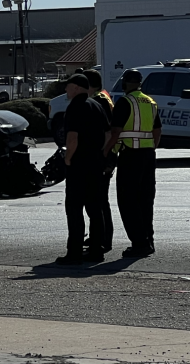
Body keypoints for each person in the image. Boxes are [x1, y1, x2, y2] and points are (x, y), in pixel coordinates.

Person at [104, 69, 162, 258]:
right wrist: (151, 148)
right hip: (148, 155)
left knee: (128, 201)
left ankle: (139, 243)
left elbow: (116, 132)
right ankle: (148, 240)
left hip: (130, 155)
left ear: (125, 83)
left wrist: (105, 152)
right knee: (146, 199)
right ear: (140, 83)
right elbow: (157, 131)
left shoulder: (125, 102)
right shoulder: (150, 102)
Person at [57, 74, 111, 266]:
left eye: (68, 86)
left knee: (74, 208)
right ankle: (96, 250)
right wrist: (101, 154)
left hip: (79, 164)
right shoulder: (96, 105)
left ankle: (74, 252)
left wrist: (68, 158)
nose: (66, 90)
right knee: (95, 208)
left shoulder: (75, 107)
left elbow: (73, 138)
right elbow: (108, 134)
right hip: (95, 162)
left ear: (78, 88)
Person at [84, 69, 114, 254]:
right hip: (108, 155)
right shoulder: (104, 97)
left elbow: (103, 132)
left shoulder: (97, 101)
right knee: (101, 200)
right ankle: (101, 236)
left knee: (99, 201)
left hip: (103, 156)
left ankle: (103, 238)